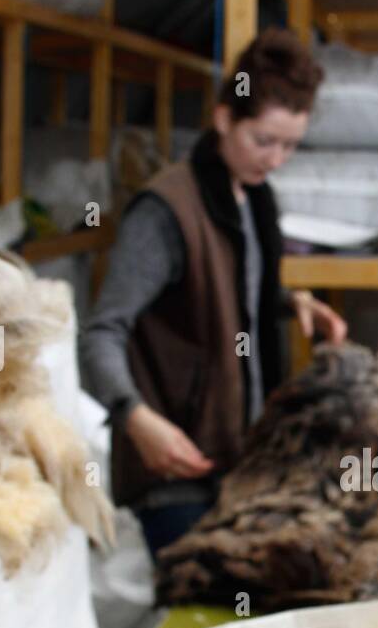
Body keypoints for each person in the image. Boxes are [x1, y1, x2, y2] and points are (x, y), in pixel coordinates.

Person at [79, 28, 347, 557]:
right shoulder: (165, 212)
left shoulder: (252, 199)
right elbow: (101, 334)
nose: (275, 159)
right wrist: (136, 419)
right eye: (263, 141)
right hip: (176, 467)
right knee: (205, 588)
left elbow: (230, 290)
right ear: (224, 118)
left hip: (238, 455)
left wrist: (290, 302)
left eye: (290, 145)